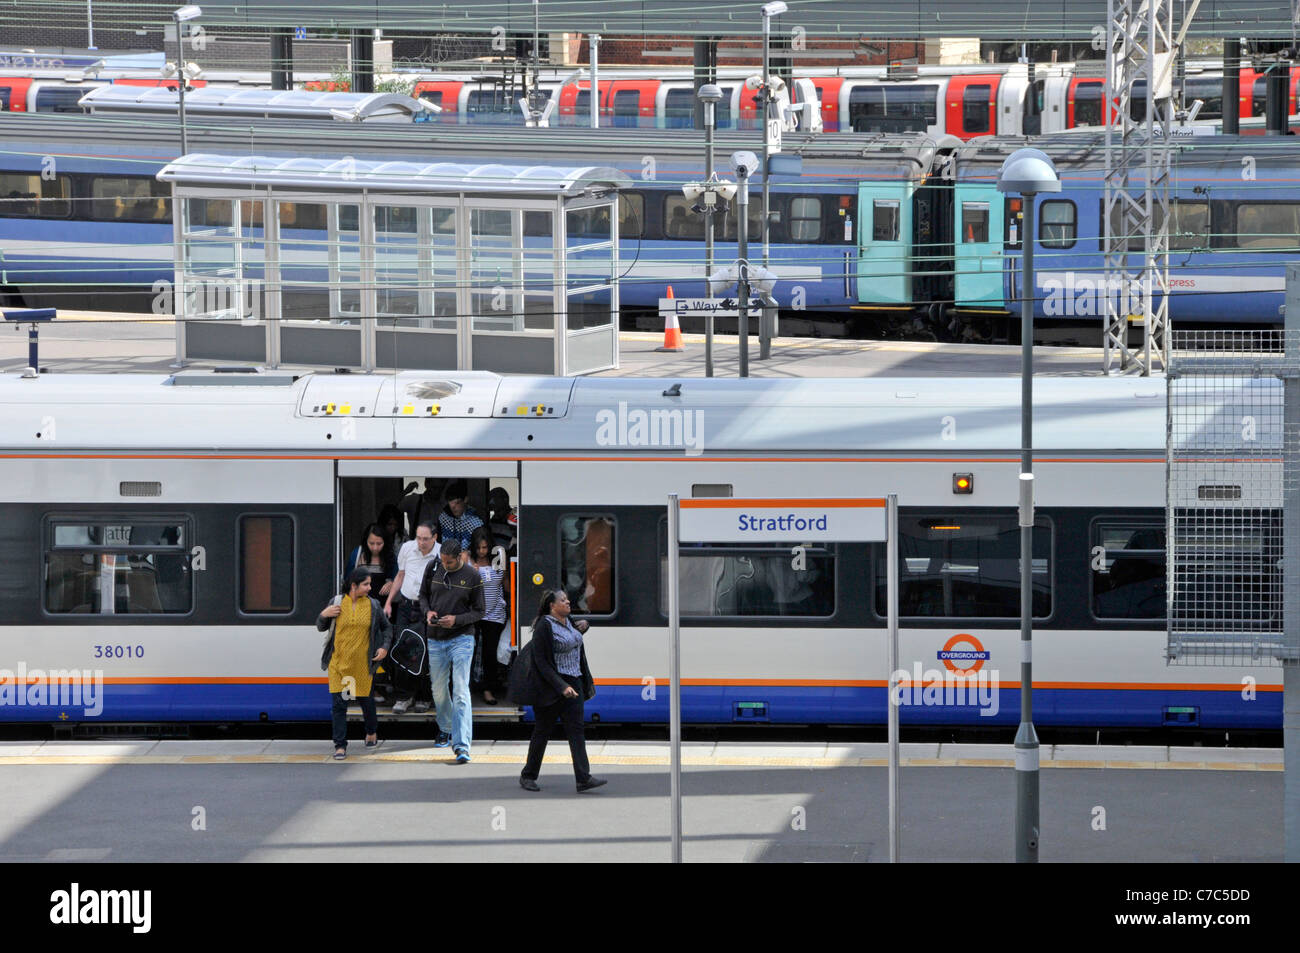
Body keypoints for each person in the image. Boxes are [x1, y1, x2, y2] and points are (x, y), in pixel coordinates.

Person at [512, 590, 606, 793]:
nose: (568, 602)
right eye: (563, 600)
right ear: (552, 606)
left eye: (567, 599)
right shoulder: (544, 626)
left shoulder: (568, 620)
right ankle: (528, 775)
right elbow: (542, 662)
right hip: (550, 687)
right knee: (543, 731)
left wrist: (585, 626)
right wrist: (561, 686)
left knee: (576, 731)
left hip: (575, 681)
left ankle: (583, 778)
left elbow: (572, 640)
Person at [419, 537, 484, 763]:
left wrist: (456, 620)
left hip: (462, 638)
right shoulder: (433, 566)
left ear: (459, 557)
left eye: (449, 562)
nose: (445, 565)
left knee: (460, 689)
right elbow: (423, 596)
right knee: (438, 689)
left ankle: (462, 745)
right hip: (436, 637)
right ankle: (446, 726)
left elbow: (479, 611)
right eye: (443, 561)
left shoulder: (472, 576)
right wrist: (427, 612)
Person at [318, 567, 393, 760]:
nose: (369, 587)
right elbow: (320, 626)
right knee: (339, 706)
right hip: (339, 666)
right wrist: (324, 614)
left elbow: (387, 629)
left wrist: (384, 647)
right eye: (366, 584)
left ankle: (371, 731)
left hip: (361, 667)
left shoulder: (373, 605)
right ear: (353, 586)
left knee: (366, 703)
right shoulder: (337, 603)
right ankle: (340, 746)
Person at [384, 520, 441, 714]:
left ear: (434, 538)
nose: (421, 542)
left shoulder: (441, 554)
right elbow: (400, 575)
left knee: (426, 652)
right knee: (402, 648)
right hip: (406, 605)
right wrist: (389, 601)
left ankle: (424, 697)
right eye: (418, 538)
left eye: (425, 539)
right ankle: (403, 697)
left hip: (428, 608)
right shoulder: (408, 548)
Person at [469, 526, 508, 705]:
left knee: (490, 653)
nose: (482, 551)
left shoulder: (498, 559)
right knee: (469, 651)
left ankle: (488, 689)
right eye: (478, 548)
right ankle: (468, 687)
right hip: (474, 614)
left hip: (495, 613)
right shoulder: (467, 561)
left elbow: (506, 585)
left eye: (485, 547)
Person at [345, 523, 397, 602]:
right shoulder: (357, 554)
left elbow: (398, 577)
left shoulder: (390, 557)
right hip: (359, 605)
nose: (375, 548)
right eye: (371, 543)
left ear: (385, 542)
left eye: (379, 544)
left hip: (382, 606)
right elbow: (348, 580)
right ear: (366, 541)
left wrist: (392, 583)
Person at [437, 480, 485, 552]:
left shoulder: (476, 523)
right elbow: (437, 543)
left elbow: (480, 550)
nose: (454, 507)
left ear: (465, 500)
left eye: (457, 503)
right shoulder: (442, 519)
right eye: (451, 503)